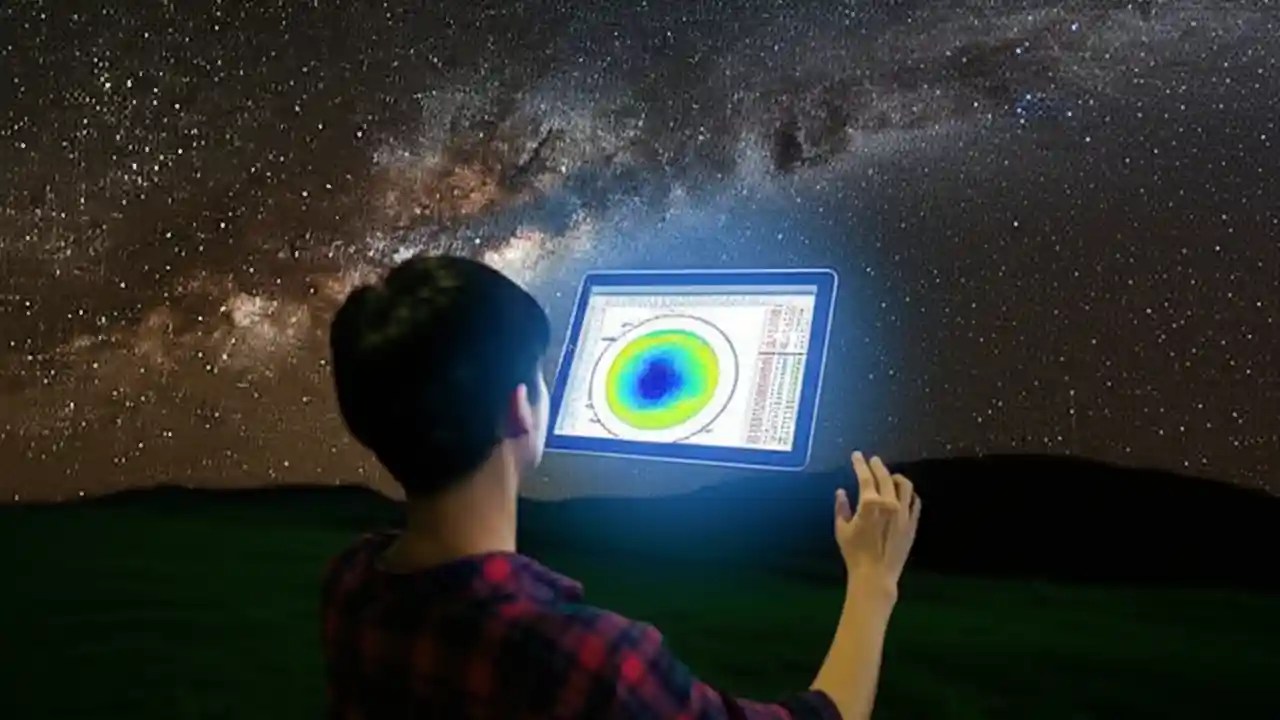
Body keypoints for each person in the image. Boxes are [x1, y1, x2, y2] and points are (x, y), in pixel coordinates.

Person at [322, 254, 922, 720]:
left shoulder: (351, 584)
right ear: (519, 412)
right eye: (540, 373)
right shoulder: (587, 660)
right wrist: (873, 581)